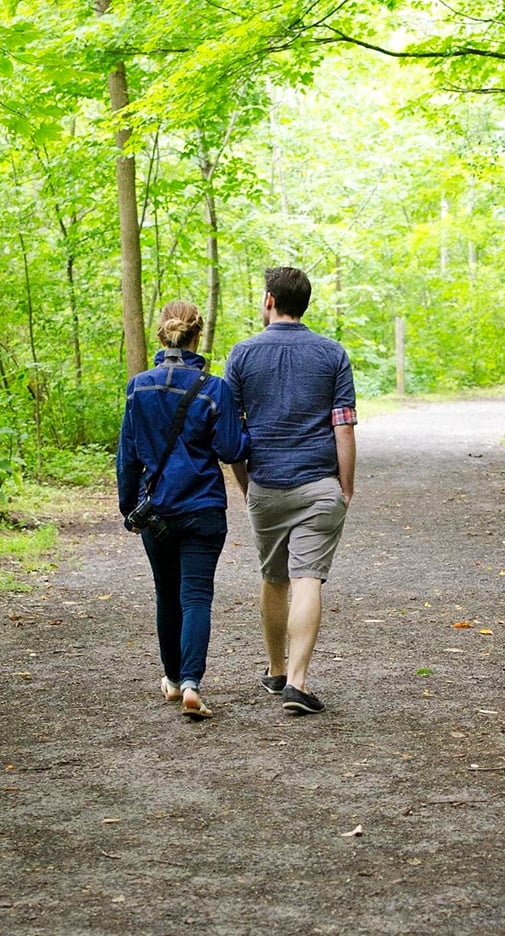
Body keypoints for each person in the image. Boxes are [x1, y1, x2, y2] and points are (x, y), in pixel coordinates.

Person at [225, 266, 357, 715]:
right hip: (319, 484)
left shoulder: (241, 355)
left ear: (268, 300)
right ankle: (298, 683)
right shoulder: (332, 354)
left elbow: (230, 431)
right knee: (307, 579)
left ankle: (277, 669)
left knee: (274, 577)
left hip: (265, 484)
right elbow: (344, 428)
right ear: (305, 303)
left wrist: (246, 484)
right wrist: (346, 485)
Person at [117, 300, 249, 720]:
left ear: (162, 332)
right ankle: (193, 683)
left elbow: (127, 457)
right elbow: (230, 449)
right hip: (203, 507)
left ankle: (173, 680)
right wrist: (247, 432)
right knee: (196, 597)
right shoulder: (215, 389)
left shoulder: (139, 387)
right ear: (198, 335)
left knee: (166, 595)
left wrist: (129, 507)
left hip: (155, 510)